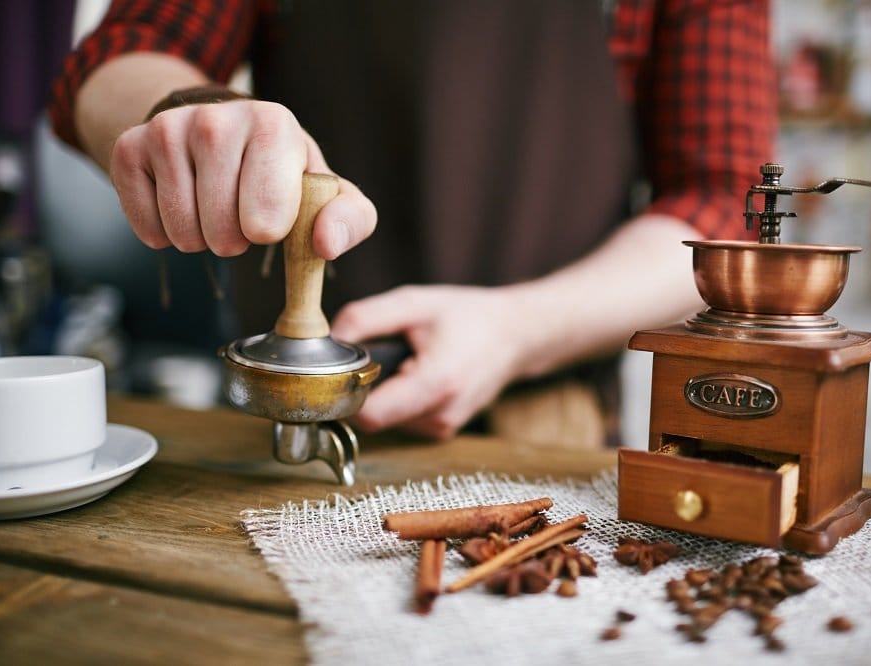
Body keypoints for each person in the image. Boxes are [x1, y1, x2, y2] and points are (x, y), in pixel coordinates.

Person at [49, 0, 776, 447]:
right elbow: (115, 56)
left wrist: (518, 330)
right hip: (287, 422)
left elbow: (723, 205)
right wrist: (185, 114)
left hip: (550, 424)